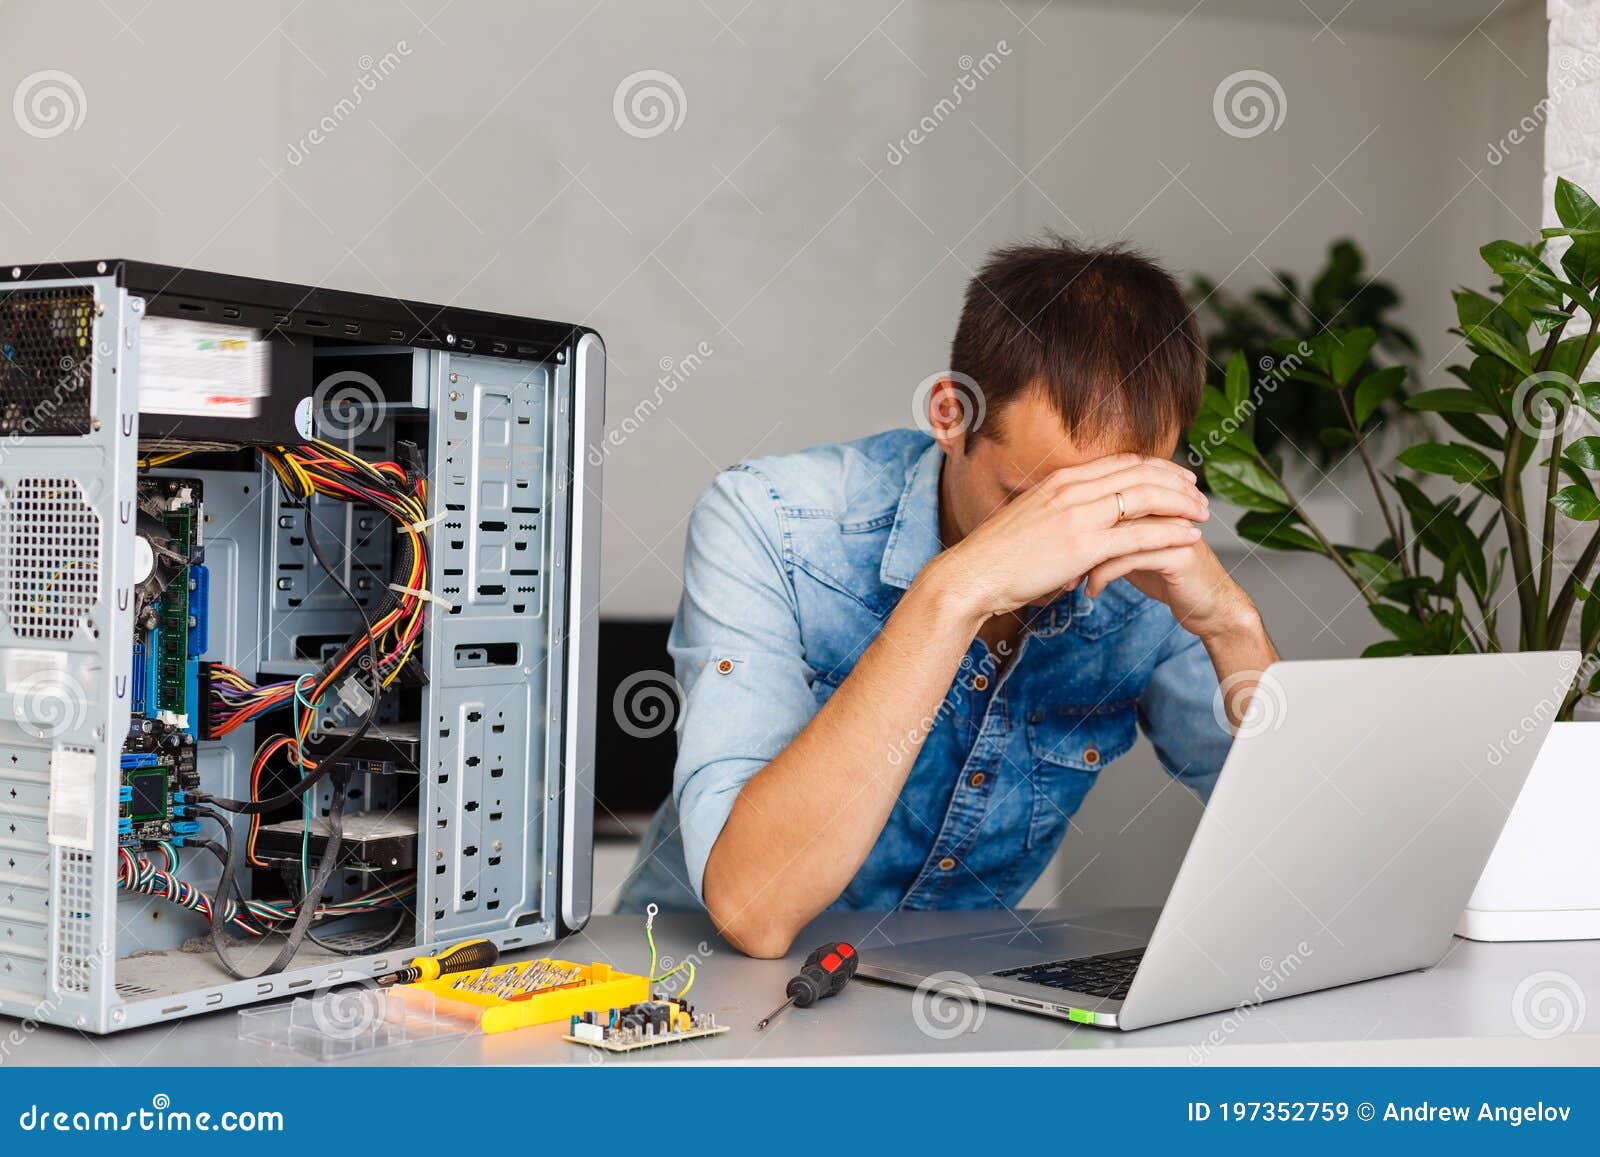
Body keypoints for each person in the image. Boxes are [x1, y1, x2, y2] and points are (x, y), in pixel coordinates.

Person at [618, 238, 1278, 957]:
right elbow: (756, 909)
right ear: (950, 414)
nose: (1077, 548)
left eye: (1111, 508)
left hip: (940, 1002)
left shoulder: (1146, 571)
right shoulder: (769, 520)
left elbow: (1307, 866)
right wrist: (956, 588)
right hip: (685, 986)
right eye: (1034, 504)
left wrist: (1231, 623)